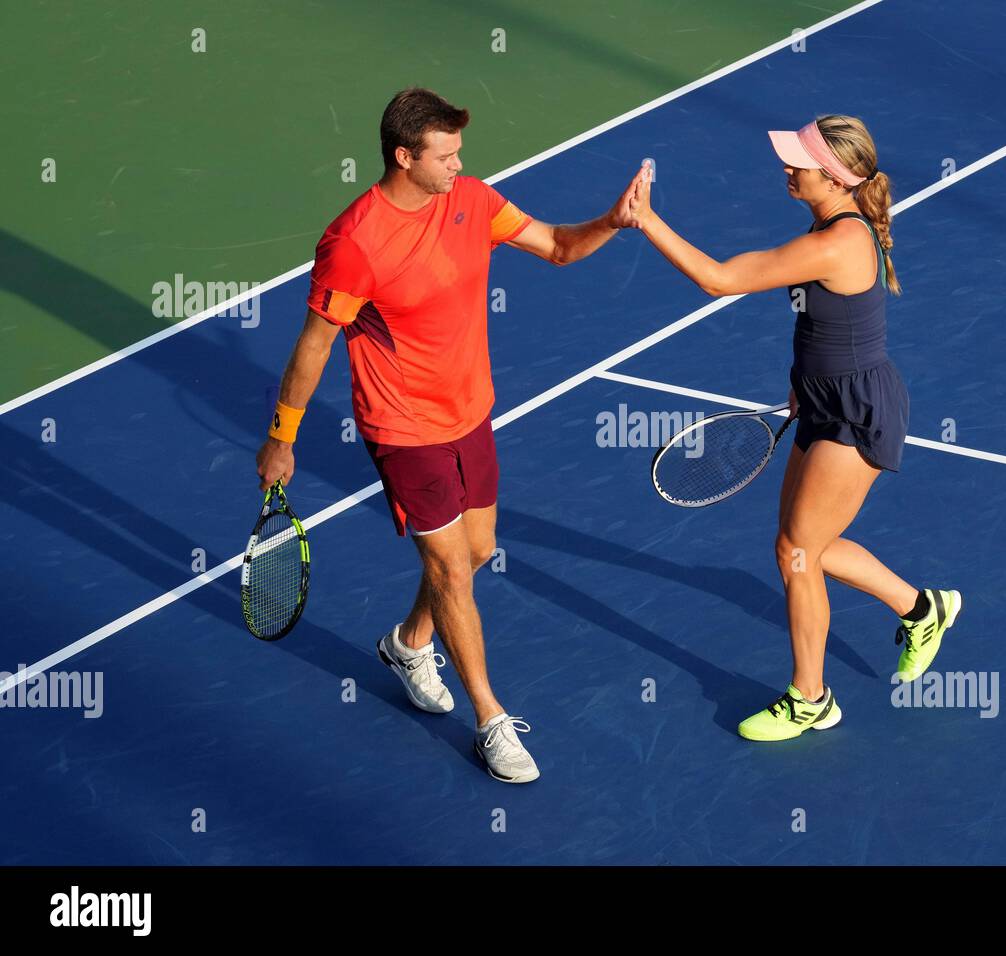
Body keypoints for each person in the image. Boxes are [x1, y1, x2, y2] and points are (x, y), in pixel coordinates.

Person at [256, 87, 643, 781]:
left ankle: (409, 643)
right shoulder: (355, 243)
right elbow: (314, 345)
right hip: (403, 426)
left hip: (471, 412)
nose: (459, 165)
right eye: (446, 155)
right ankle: (492, 719)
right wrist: (282, 437)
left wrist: (613, 221)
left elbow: (556, 246)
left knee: (479, 547)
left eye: (460, 152)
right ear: (403, 157)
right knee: (452, 569)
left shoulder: (474, 200)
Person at [626, 115, 962, 741]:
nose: (786, 168)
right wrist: (801, 377)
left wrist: (645, 220)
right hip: (822, 397)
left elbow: (718, 279)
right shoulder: (827, 225)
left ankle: (811, 699)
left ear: (832, 177)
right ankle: (923, 609)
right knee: (804, 545)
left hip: (858, 412)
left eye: (798, 162)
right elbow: (832, 317)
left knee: (795, 552)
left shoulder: (834, 242)